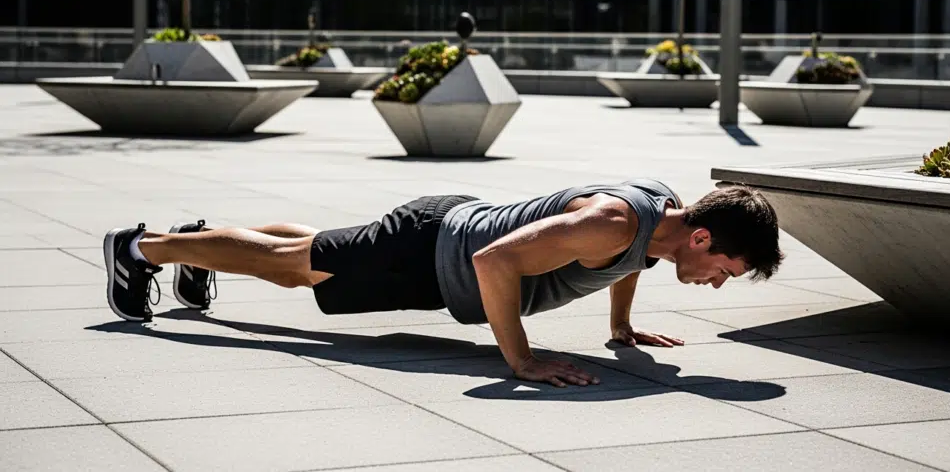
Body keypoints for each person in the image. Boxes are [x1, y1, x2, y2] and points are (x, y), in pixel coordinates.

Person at [103, 178, 783, 387]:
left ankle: (200, 242)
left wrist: (619, 327)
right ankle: (142, 247)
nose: (717, 283)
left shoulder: (657, 213)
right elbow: (495, 263)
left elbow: (635, 258)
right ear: (702, 237)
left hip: (440, 235)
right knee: (293, 267)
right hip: (431, 251)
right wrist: (520, 359)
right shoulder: (614, 221)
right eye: (726, 270)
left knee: (303, 247)